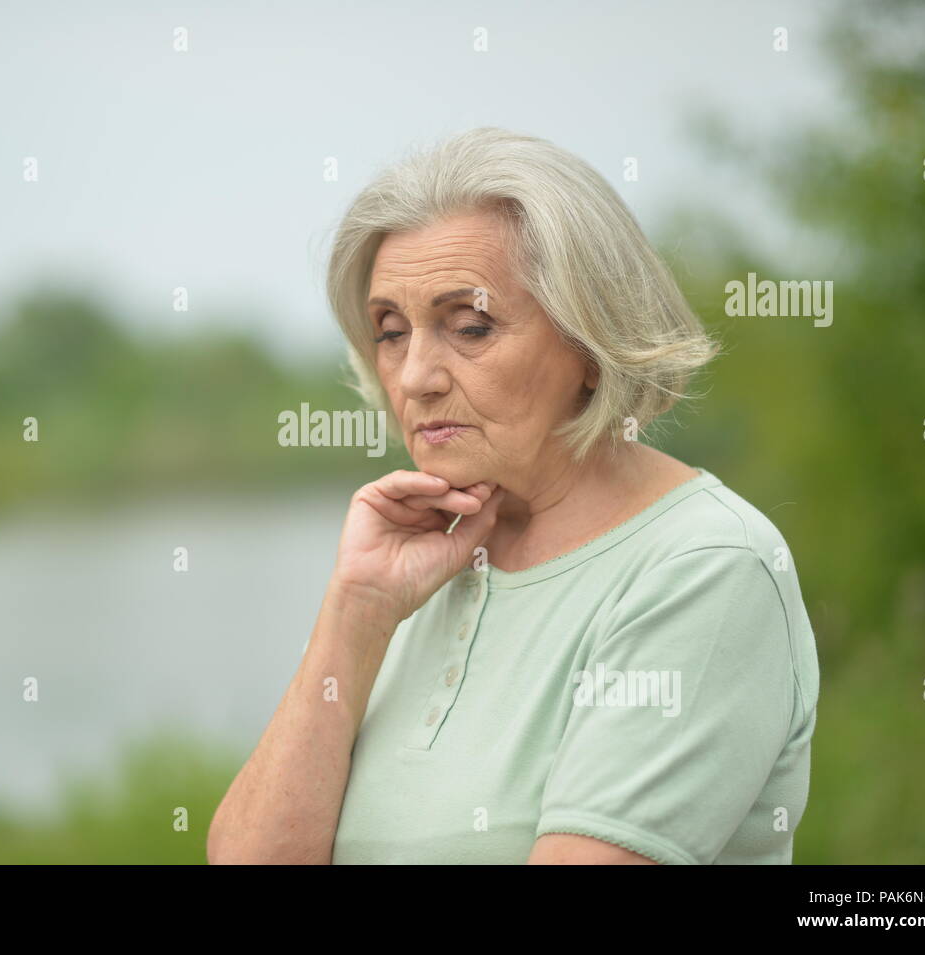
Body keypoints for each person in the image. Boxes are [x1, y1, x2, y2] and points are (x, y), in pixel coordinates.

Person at [207, 127, 819, 864]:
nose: (414, 377)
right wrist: (356, 612)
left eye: (469, 326)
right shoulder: (414, 567)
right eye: (391, 331)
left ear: (592, 345)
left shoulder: (706, 568)